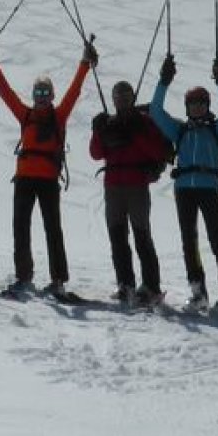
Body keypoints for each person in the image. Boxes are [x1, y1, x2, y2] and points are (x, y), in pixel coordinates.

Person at [0, 33, 98, 297]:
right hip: (24, 179)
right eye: (38, 92)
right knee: (20, 228)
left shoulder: (59, 116)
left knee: (52, 229)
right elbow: (5, 93)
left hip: (47, 180)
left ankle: (58, 279)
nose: (42, 96)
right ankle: (24, 276)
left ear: (52, 96)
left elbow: (74, 91)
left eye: (46, 93)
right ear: (34, 95)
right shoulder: (25, 115)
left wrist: (84, 64)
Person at [150, 52, 218, 312]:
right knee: (188, 240)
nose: (197, 107)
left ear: (207, 105)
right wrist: (163, 82)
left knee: (216, 240)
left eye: (202, 102)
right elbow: (155, 111)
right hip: (184, 191)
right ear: (187, 107)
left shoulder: (217, 129)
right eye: (193, 103)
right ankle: (198, 292)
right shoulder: (180, 130)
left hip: (210, 189)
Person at [89, 79, 172, 305]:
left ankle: (152, 287)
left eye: (126, 97)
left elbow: (158, 152)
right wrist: (98, 131)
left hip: (136, 185)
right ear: (113, 100)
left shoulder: (144, 122)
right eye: (119, 97)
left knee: (142, 236)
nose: (123, 101)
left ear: (132, 98)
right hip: (114, 186)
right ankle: (125, 285)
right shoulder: (110, 122)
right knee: (117, 237)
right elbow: (96, 153)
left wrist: (135, 133)